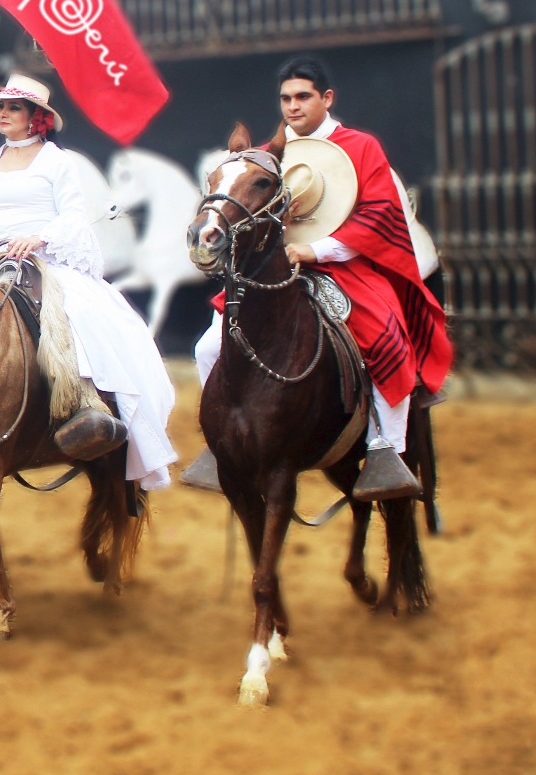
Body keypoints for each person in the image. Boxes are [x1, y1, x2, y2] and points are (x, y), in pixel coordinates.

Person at [190, 56, 451, 485]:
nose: (293, 107)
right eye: (286, 99)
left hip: (346, 266)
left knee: (388, 340)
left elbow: (380, 214)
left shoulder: (361, 146)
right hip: (275, 270)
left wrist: (317, 251)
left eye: (303, 97)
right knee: (206, 348)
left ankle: (389, 451)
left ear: (326, 99)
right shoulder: (271, 152)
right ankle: (220, 440)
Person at [0, 74, 177, 493]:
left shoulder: (56, 161)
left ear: (36, 118)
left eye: (13, 107)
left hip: (43, 259)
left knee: (81, 312)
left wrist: (40, 237)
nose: (3, 114)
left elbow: (73, 215)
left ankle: (86, 404)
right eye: (1, 107)